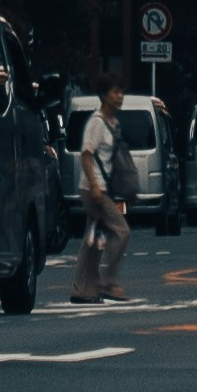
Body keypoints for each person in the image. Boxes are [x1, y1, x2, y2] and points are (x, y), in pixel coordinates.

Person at [72, 83, 128, 306]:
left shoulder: (113, 123)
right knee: (122, 231)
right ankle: (108, 281)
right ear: (104, 95)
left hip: (104, 187)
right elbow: (86, 155)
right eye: (116, 91)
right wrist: (94, 186)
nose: (120, 95)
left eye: (121, 91)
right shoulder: (97, 123)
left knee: (93, 240)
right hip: (93, 188)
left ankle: (84, 289)